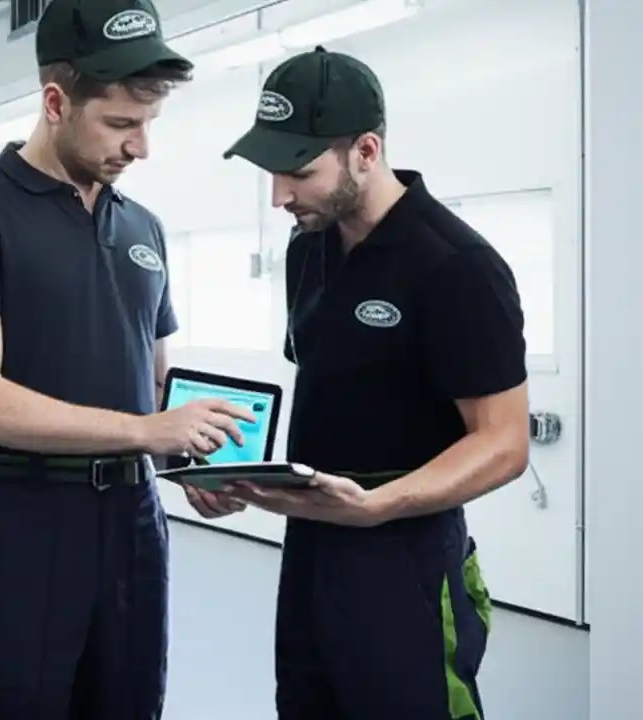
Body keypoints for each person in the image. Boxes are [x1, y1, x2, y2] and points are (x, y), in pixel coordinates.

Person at [0, 0, 257, 717]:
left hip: (133, 521)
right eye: (121, 124)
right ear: (55, 101)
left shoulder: (144, 227)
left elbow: (154, 381)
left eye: (149, 125)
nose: (140, 149)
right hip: (20, 520)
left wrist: (193, 465)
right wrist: (145, 433)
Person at [206, 46, 531, 720]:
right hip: (312, 547)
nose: (279, 196)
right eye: (272, 173)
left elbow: (504, 443)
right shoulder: (308, 250)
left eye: (299, 172)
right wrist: (242, 480)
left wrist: (379, 506)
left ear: (366, 151)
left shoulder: (457, 266)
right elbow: (336, 398)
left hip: (405, 561)